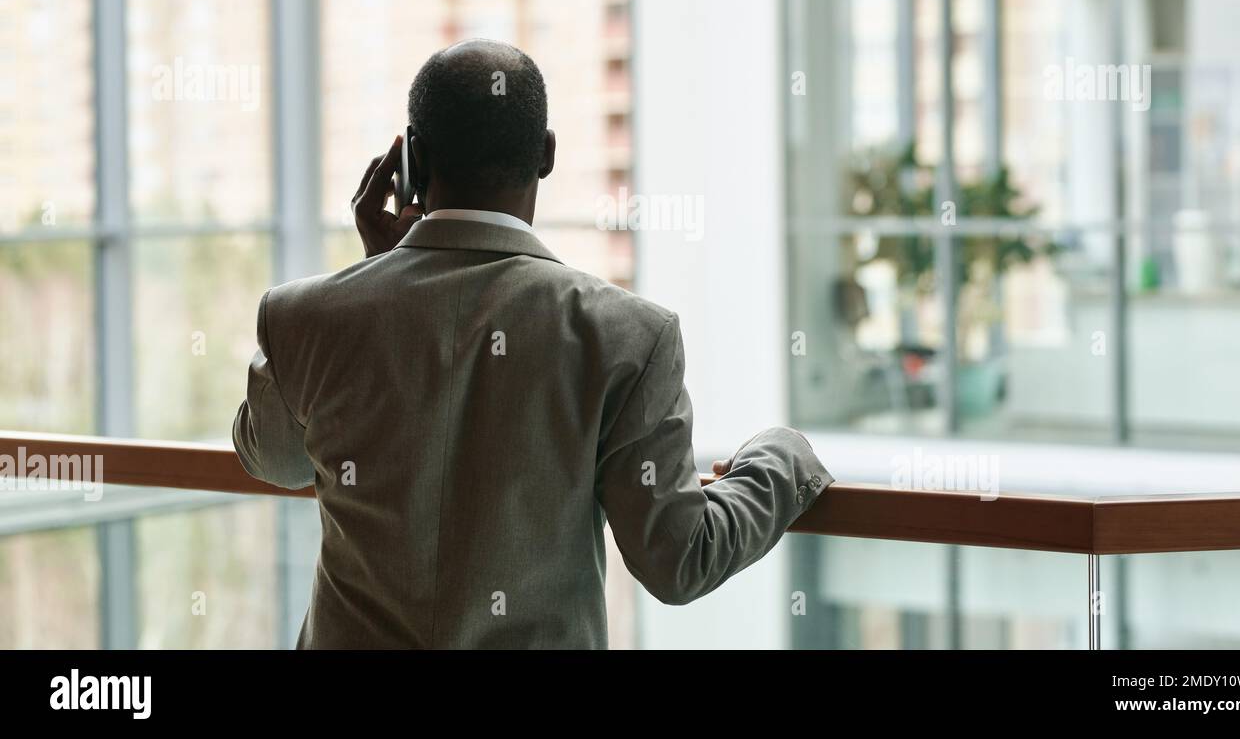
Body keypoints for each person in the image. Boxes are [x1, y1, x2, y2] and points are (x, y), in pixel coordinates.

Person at [232, 38, 832, 648]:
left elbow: (275, 460)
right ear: (546, 155)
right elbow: (679, 560)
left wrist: (375, 273)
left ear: (410, 159)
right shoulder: (628, 336)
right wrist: (784, 458)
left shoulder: (306, 314)